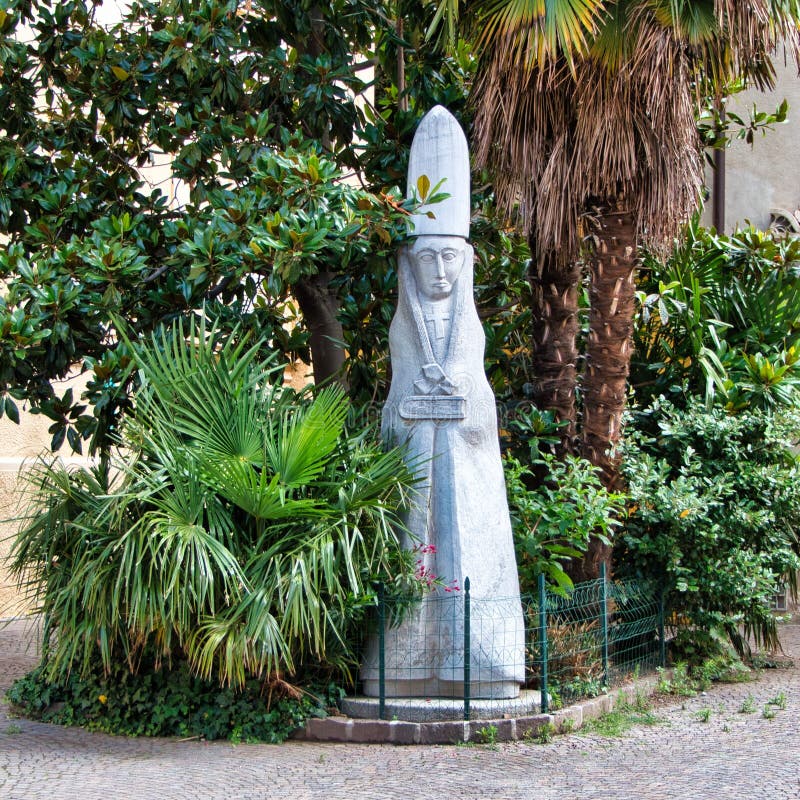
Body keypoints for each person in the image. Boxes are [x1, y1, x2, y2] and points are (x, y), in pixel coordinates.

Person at [360, 107, 524, 700]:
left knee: (468, 552)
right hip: (417, 467)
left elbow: (479, 405)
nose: (440, 270)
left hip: (464, 465)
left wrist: (461, 405)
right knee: (410, 552)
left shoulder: (468, 326)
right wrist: (415, 407)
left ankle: (479, 664)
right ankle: (401, 666)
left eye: (450, 257)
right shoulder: (405, 325)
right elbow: (397, 399)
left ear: (467, 261)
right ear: (409, 263)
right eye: (427, 257)